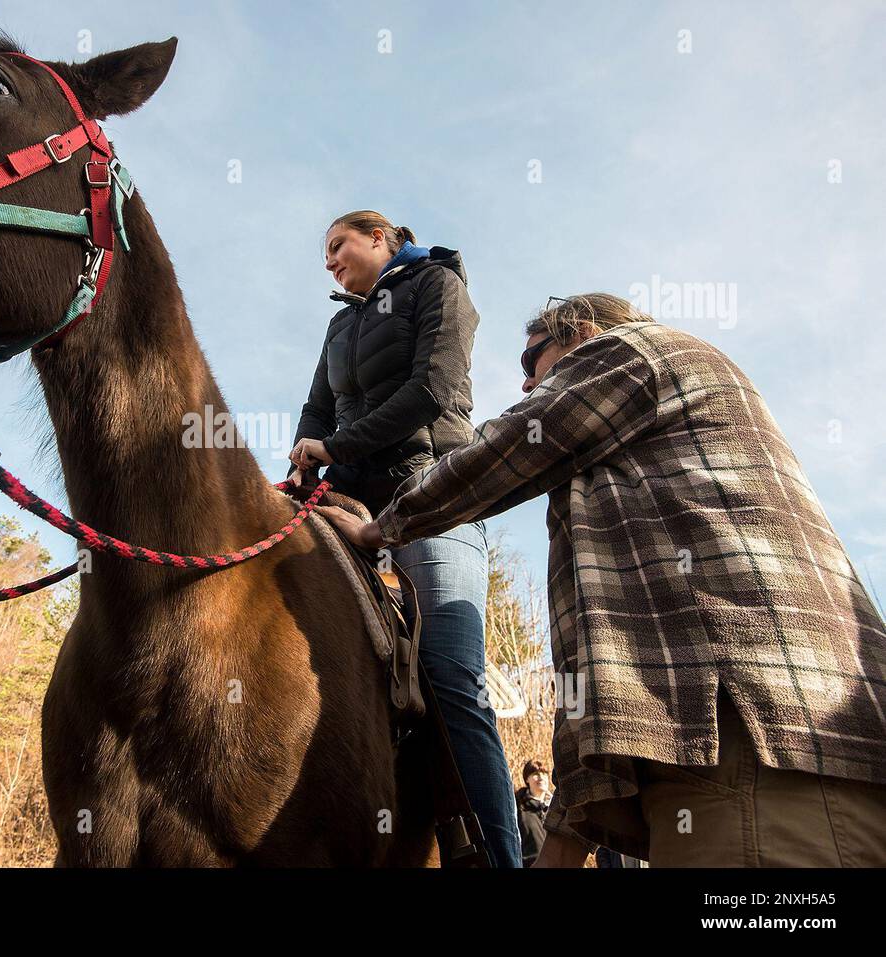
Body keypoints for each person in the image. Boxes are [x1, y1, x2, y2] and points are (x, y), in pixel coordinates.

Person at [318, 293, 886, 867]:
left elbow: (508, 448)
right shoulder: (647, 443)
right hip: (753, 750)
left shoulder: (630, 351)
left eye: (530, 362)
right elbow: (627, 646)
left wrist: (381, 530)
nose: (523, 385)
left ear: (581, 334)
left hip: (754, 738)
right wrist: (566, 837)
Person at [288, 210, 521, 867]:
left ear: (379, 237)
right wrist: (302, 468)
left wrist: (334, 445)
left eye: (337, 245)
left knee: (452, 674)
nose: (328, 259)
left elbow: (432, 390)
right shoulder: (339, 324)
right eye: (324, 251)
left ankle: (497, 852)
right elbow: (315, 410)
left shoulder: (437, 286)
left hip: (429, 501)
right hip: (346, 502)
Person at [516, 759, 551, 867]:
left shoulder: (555, 809)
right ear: (527, 779)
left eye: (544, 774)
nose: (541, 777)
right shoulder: (518, 807)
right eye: (536, 774)